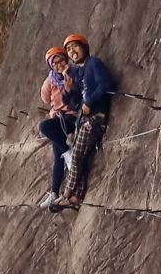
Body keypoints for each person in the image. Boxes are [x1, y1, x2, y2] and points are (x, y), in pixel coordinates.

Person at [59, 34, 113, 205]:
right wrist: (68, 91)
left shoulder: (94, 64)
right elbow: (75, 104)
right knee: (80, 156)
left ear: (84, 46)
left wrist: (89, 101)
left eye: (75, 46)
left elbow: (106, 84)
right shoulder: (78, 73)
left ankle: (67, 194)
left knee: (76, 155)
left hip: (96, 118)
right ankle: (78, 195)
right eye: (68, 49)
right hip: (84, 119)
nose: (72, 51)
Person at [38, 47, 78, 208]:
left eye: (61, 60)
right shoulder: (51, 80)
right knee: (57, 155)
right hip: (60, 117)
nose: (59, 64)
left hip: (73, 117)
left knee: (44, 126)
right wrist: (54, 109)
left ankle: (69, 154)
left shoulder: (74, 73)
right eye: (54, 63)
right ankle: (54, 193)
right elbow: (45, 97)